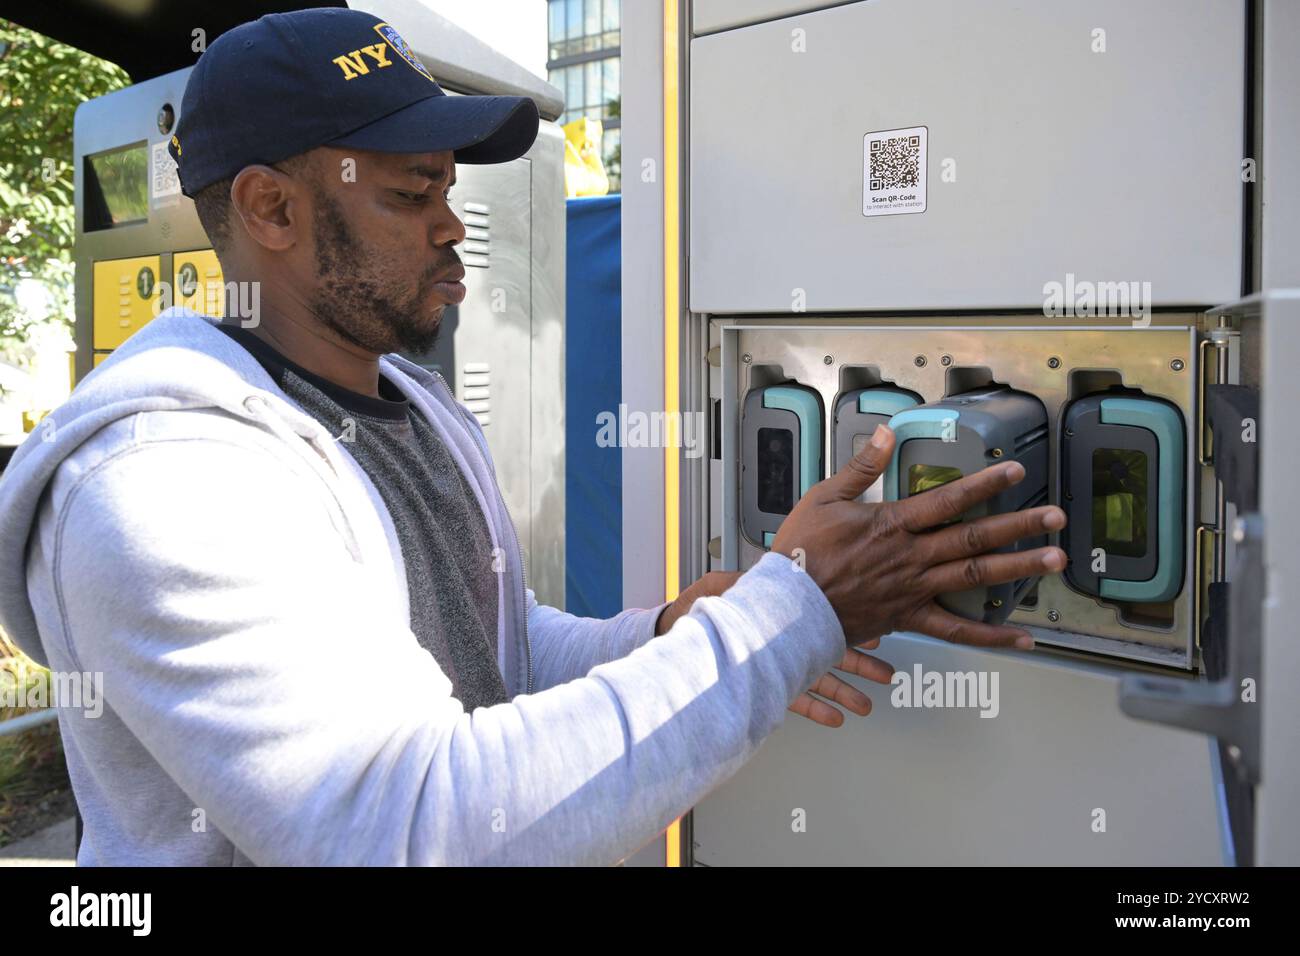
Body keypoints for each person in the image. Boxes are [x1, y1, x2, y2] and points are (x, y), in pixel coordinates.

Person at [0, 8, 1067, 865]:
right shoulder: (160, 487)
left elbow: (490, 645)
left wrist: (655, 634)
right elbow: (408, 827)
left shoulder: (410, 407)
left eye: (451, 190)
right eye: (413, 191)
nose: (452, 222)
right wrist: (793, 614)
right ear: (271, 208)